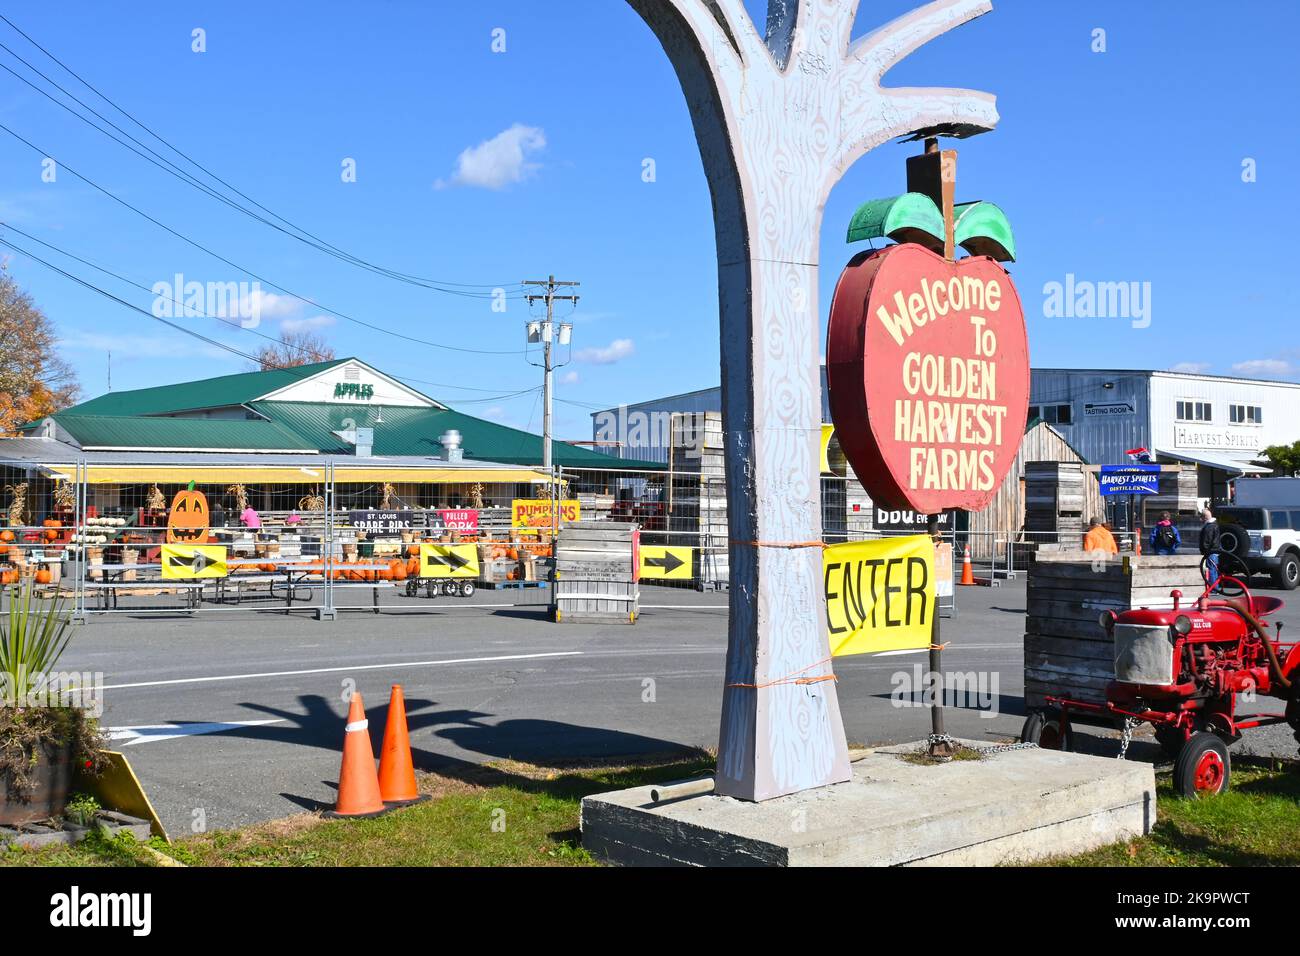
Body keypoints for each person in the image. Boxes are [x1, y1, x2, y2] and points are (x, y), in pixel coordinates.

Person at [1199, 507, 1222, 588]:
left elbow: (1206, 541)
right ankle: (1216, 587)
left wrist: (1204, 551)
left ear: (1205, 517)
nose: (1200, 519)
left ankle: (1213, 588)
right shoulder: (1215, 525)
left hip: (1210, 552)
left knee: (1211, 570)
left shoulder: (1208, 527)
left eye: (1201, 517)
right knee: (1214, 570)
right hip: (1215, 551)